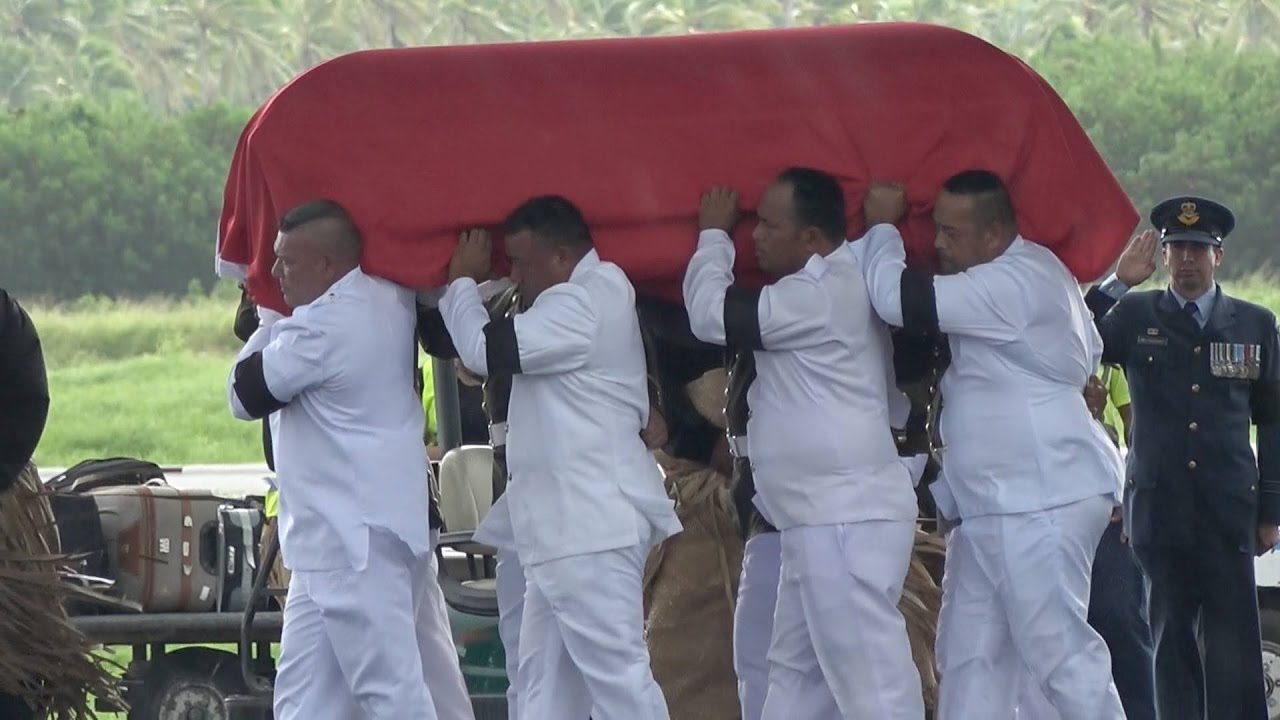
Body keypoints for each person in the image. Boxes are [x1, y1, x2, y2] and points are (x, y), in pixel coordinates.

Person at [856, 171, 1125, 720]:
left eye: (952, 233)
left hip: (1039, 495)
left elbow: (896, 299)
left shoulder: (1013, 281)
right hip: (995, 500)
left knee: (1060, 658)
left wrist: (882, 226)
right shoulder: (1039, 269)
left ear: (996, 232)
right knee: (970, 657)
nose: (938, 244)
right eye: (937, 229)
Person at [683, 168, 925, 719]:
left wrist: (713, 236)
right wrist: (884, 223)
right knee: (793, 679)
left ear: (813, 239)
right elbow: (874, 245)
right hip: (814, 519)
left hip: (843, 518)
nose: (756, 235)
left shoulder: (821, 290)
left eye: (769, 225)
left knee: (871, 686)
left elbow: (710, 315)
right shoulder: (841, 273)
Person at [226, 199, 472, 720]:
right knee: (306, 702)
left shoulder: (320, 329)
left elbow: (243, 394)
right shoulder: (388, 298)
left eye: (286, 262)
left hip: (349, 546)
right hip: (366, 536)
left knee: (394, 696)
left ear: (327, 266)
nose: (273, 273)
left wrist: (268, 316)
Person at [438, 195, 681, 719]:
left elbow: (485, 351)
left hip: (588, 527)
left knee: (619, 685)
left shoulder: (586, 299)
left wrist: (461, 281)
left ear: (562, 256)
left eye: (521, 262)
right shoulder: (578, 294)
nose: (514, 275)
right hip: (562, 528)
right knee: (543, 688)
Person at [1084, 195, 1280, 719]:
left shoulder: (1254, 324)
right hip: (1159, 510)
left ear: (1219, 257)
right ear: (1163, 257)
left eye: (1198, 248)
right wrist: (1118, 281)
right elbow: (1073, 337)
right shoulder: (1135, 314)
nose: (1187, 259)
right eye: (1177, 249)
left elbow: (1273, 420)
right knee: (1169, 644)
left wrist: (1271, 511)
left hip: (1227, 510)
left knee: (1235, 647)